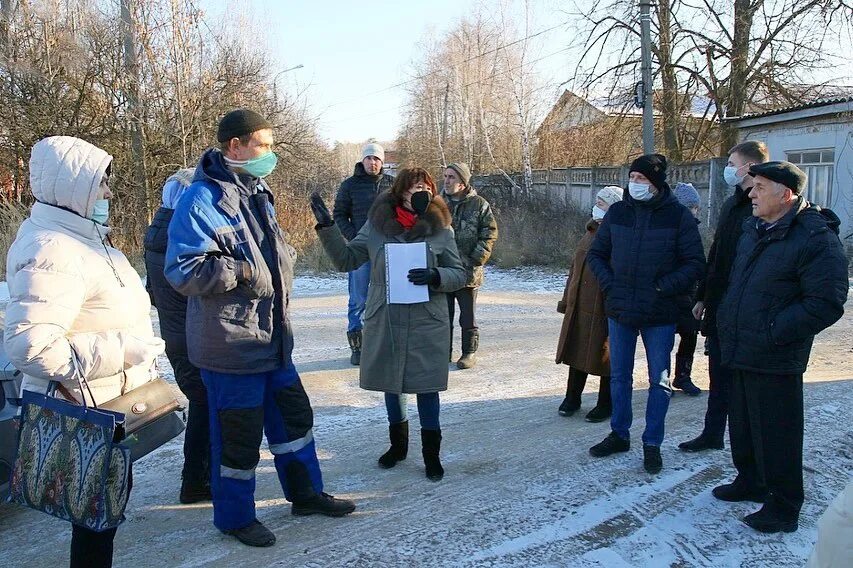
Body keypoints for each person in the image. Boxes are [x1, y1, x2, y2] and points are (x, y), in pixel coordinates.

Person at [165, 109, 355, 548]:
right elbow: (184, 269)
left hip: (273, 341)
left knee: (294, 422)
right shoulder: (202, 199)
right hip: (231, 346)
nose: (270, 154)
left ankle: (305, 494)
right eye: (264, 145)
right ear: (236, 146)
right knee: (237, 439)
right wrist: (244, 271)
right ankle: (234, 518)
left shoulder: (257, 192)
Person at [4, 136, 165, 568]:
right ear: (72, 189)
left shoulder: (87, 240)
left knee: (101, 515)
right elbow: (30, 347)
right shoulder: (52, 248)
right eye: (101, 185)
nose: (110, 194)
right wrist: (123, 349)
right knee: (94, 519)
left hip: (108, 403)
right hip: (84, 409)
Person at [714, 161, 847, 533]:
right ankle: (750, 480)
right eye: (751, 185)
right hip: (741, 345)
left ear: (785, 194)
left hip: (775, 353)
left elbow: (826, 302)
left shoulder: (815, 237)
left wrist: (774, 331)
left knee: (777, 432)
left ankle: (784, 505)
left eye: (759, 187)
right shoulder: (754, 229)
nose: (751, 193)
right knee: (742, 423)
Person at [310, 168, 466, 481]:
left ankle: (431, 455)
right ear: (400, 192)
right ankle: (398, 447)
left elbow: (459, 273)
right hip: (387, 317)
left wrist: (437, 276)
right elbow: (347, 260)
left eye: (425, 186)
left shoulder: (440, 229)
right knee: (391, 384)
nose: (419, 191)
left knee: (426, 386)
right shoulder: (377, 226)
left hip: (427, 318)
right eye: (413, 187)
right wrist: (327, 227)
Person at [585, 154, 705, 474]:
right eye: (633, 178)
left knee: (660, 380)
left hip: (659, 312)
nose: (635, 184)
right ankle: (619, 433)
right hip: (621, 308)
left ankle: (652, 443)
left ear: (656, 184)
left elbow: (694, 263)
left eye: (642, 180)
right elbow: (597, 255)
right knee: (619, 377)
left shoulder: (677, 216)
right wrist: (612, 285)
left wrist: (662, 288)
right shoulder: (619, 213)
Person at [679, 140, 769, 453]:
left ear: (751, 166)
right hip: (719, 304)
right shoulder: (732, 204)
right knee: (718, 374)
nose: (729, 168)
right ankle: (712, 433)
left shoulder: (762, 208)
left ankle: (746, 450)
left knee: (741, 385)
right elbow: (717, 254)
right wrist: (703, 296)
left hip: (743, 308)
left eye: (733, 163)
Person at [144, 168, 211, 504]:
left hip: (176, 336)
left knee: (203, 402)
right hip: (195, 334)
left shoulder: (155, 235)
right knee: (206, 403)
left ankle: (200, 476)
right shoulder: (182, 236)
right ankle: (195, 480)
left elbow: (152, 292)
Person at [555, 186, 622, 422]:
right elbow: (574, 269)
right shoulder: (590, 230)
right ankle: (572, 397)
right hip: (579, 304)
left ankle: (606, 403)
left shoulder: (618, 234)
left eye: (601, 203)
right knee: (576, 350)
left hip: (603, 307)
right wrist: (566, 300)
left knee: (605, 355)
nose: (596, 206)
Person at [333, 143, 395, 365]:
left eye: (376, 159)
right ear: (362, 161)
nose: (373, 163)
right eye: (369, 158)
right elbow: (339, 214)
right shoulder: (349, 185)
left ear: (382, 161)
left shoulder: (392, 185)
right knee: (358, 299)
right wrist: (354, 237)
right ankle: (357, 346)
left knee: (388, 298)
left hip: (387, 250)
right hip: (359, 252)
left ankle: (382, 344)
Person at [441, 162, 498, 369]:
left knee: (468, 317)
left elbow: (489, 232)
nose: (447, 181)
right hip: (444, 272)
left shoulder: (480, 204)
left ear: (463, 182)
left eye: (451, 177)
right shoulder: (437, 203)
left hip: (467, 272)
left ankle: (469, 353)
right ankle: (442, 352)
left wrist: (476, 258)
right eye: (445, 176)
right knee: (442, 316)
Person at [670, 182, 703, 397]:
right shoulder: (667, 228)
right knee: (663, 339)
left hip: (690, 295)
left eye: (695, 207)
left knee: (689, 335)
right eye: (689, 206)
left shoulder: (695, 230)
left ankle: (683, 376)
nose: (693, 211)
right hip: (669, 294)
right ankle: (660, 380)